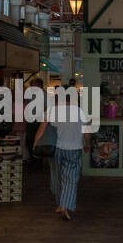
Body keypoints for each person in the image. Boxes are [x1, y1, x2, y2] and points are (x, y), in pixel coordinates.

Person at [37, 80, 88, 219]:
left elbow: (41, 130)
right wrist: (88, 143)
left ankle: (60, 204)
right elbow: (86, 131)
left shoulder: (52, 111)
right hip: (74, 149)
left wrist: (35, 145)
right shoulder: (79, 112)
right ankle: (65, 204)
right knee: (71, 179)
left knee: (57, 177)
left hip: (57, 149)